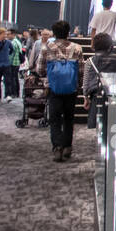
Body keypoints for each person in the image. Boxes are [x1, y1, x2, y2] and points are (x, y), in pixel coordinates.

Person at [32, 20, 82, 162]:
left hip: (53, 89)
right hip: (71, 89)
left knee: (54, 120)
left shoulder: (46, 48)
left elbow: (40, 70)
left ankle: (57, 147)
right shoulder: (77, 48)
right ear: (68, 32)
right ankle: (67, 147)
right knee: (68, 118)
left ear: (54, 33)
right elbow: (80, 71)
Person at [82, 32, 116, 130]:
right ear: (110, 45)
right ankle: (111, 142)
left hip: (97, 96)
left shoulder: (90, 61)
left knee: (99, 124)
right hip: (113, 96)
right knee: (112, 125)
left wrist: (86, 97)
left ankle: (102, 141)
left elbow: (86, 80)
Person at [5, 30, 22, 99]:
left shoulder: (13, 42)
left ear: (13, 34)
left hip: (13, 62)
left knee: (12, 78)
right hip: (17, 62)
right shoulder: (17, 41)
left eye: (8, 34)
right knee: (15, 78)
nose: (7, 36)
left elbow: (11, 54)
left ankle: (14, 93)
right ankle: (17, 93)